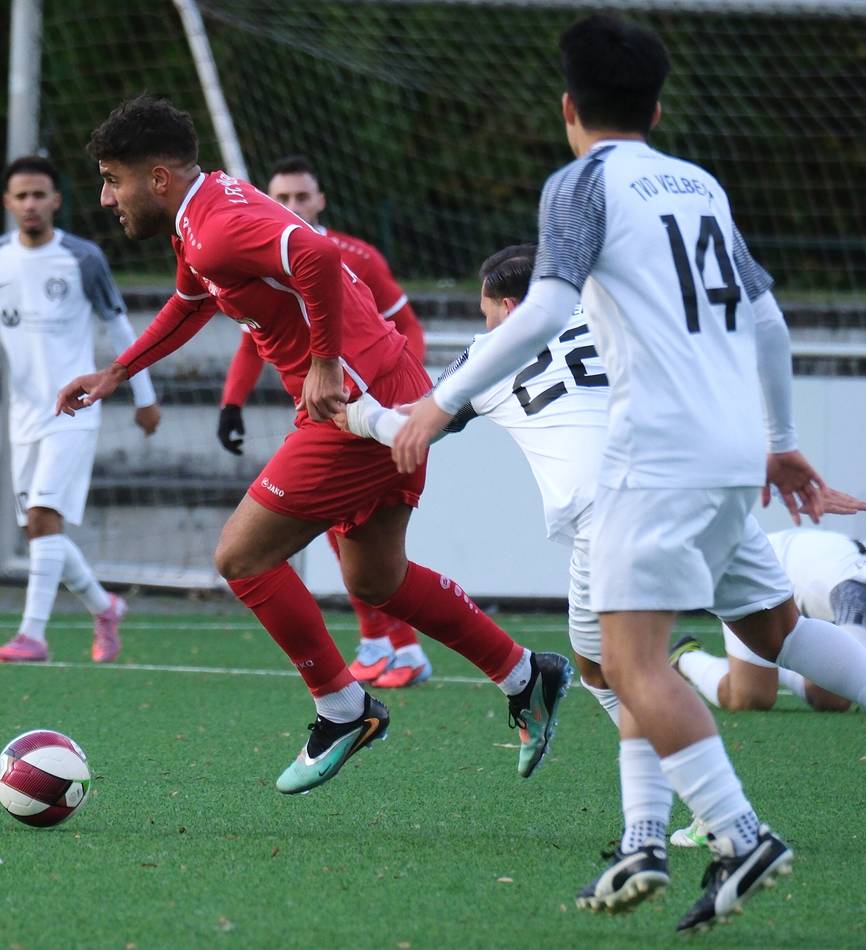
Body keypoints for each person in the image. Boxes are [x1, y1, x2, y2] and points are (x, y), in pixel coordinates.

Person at [388, 15, 866, 932]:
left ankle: (738, 833)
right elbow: (767, 321)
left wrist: (437, 402)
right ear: (656, 106)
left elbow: (542, 314)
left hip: (654, 456)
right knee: (766, 628)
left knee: (628, 661)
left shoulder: (580, 185)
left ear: (568, 107)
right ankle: (646, 840)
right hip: (731, 454)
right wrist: (783, 437)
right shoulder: (700, 184)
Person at [55, 95, 572, 797]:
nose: (105, 195)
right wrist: (118, 371)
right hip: (383, 385)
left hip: (354, 402)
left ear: (158, 178)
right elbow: (191, 300)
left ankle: (343, 709)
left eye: (113, 178)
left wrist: (324, 360)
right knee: (376, 580)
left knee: (241, 557)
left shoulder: (216, 227)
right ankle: (524, 674)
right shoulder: (198, 221)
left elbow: (315, 252)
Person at [344, 243, 621, 723]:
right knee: (770, 632)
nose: (487, 325)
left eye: (487, 313)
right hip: (690, 484)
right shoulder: (615, 313)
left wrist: (356, 412)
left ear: (509, 308)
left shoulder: (488, 353)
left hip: (601, 514)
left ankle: (684, 792)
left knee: (614, 669)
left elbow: (420, 421)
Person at [217, 155, 431, 689]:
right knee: (344, 536)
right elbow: (248, 342)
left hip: (371, 403)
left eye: (301, 197)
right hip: (322, 405)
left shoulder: (351, 254)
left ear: (321, 201)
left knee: (345, 535)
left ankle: (399, 648)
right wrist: (231, 403)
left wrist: (420, 396)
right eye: (281, 198)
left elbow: (405, 323)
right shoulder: (259, 254)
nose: (292, 206)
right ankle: (383, 642)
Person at [669, 523, 866, 847]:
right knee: (749, 696)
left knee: (834, 699)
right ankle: (685, 657)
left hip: (798, 605)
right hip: (764, 576)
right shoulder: (854, 592)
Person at [0, 155, 160, 665]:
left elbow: (118, 327)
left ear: (56, 201)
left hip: (74, 409)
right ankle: (104, 605)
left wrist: (145, 396)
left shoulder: (82, 257)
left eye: (38, 194)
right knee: (40, 531)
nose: (30, 204)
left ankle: (32, 635)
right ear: (8, 203)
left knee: (45, 516)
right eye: (21, 195)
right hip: (22, 416)